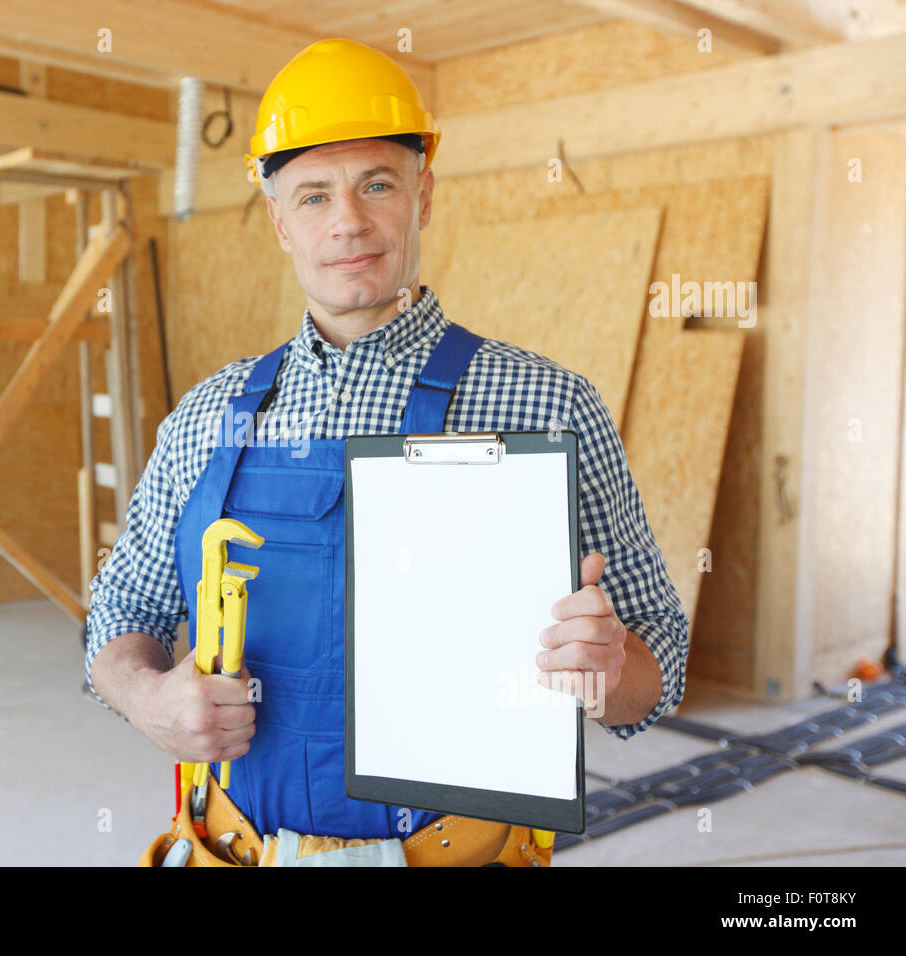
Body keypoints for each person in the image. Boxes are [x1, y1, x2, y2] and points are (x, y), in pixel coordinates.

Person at [86, 37, 688, 850]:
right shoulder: (209, 415)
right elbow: (122, 613)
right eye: (312, 196)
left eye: (377, 184)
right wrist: (148, 698)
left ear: (424, 195)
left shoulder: (550, 403)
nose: (348, 223)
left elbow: (662, 667)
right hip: (235, 848)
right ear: (278, 222)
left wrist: (608, 670)